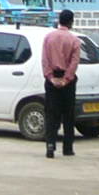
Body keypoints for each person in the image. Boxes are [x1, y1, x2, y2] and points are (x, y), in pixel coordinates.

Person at [40, 9, 82, 158]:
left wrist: (51, 77)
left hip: (51, 80)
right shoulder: (74, 40)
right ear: (71, 22)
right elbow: (74, 62)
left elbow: (45, 60)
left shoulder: (48, 37)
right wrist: (66, 79)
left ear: (59, 20)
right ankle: (67, 148)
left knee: (51, 113)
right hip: (67, 81)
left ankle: (50, 146)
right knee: (68, 114)